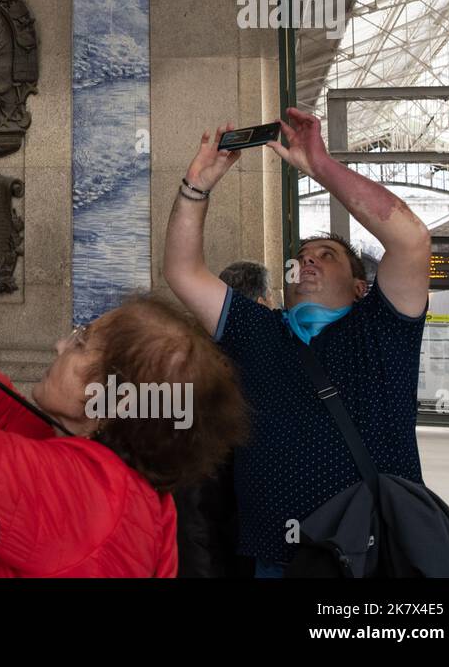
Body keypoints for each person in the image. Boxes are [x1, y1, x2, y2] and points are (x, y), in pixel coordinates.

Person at [0, 241, 247, 576]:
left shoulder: (83, 499)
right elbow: (19, 430)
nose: (60, 345)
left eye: (80, 341)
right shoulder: (119, 482)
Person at [163, 109, 432, 578]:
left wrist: (320, 166)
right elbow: (183, 272)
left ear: (359, 288)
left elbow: (410, 241)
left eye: (325, 257)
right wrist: (195, 187)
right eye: (301, 257)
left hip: (371, 558)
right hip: (275, 559)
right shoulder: (261, 330)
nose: (306, 263)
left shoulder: (381, 331)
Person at [173, 259, 270, 579]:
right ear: (259, 304)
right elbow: (197, 500)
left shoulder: (194, 362)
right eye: (272, 301)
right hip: (220, 548)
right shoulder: (230, 374)